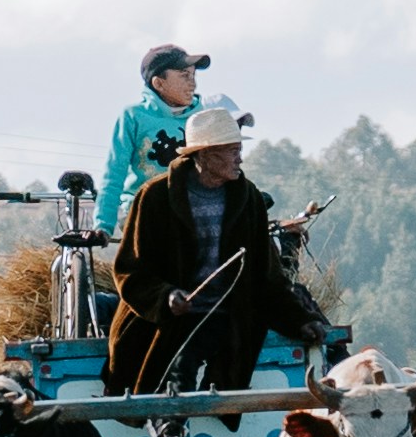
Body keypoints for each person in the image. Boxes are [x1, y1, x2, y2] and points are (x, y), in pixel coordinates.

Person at [107, 97, 327, 402]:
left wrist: (301, 320)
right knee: (177, 364)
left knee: (216, 351)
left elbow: (268, 278)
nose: (240, 160)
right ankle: (169, 429)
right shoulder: (154, 198)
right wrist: (166, 296)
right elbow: (131, 270)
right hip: (169, 319)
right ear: (206, 155)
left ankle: (185, 420)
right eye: (233, 152)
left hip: (228, 314)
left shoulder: (247, 198)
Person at [98, 43, 207, 230]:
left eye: (193, 75)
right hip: (142, 209)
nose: (193, 83)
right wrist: (103, 226)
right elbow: (114, 173)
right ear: (159, 83)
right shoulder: (134, 117)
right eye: (184, 76)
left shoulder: (201, 117)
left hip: (189, 210)